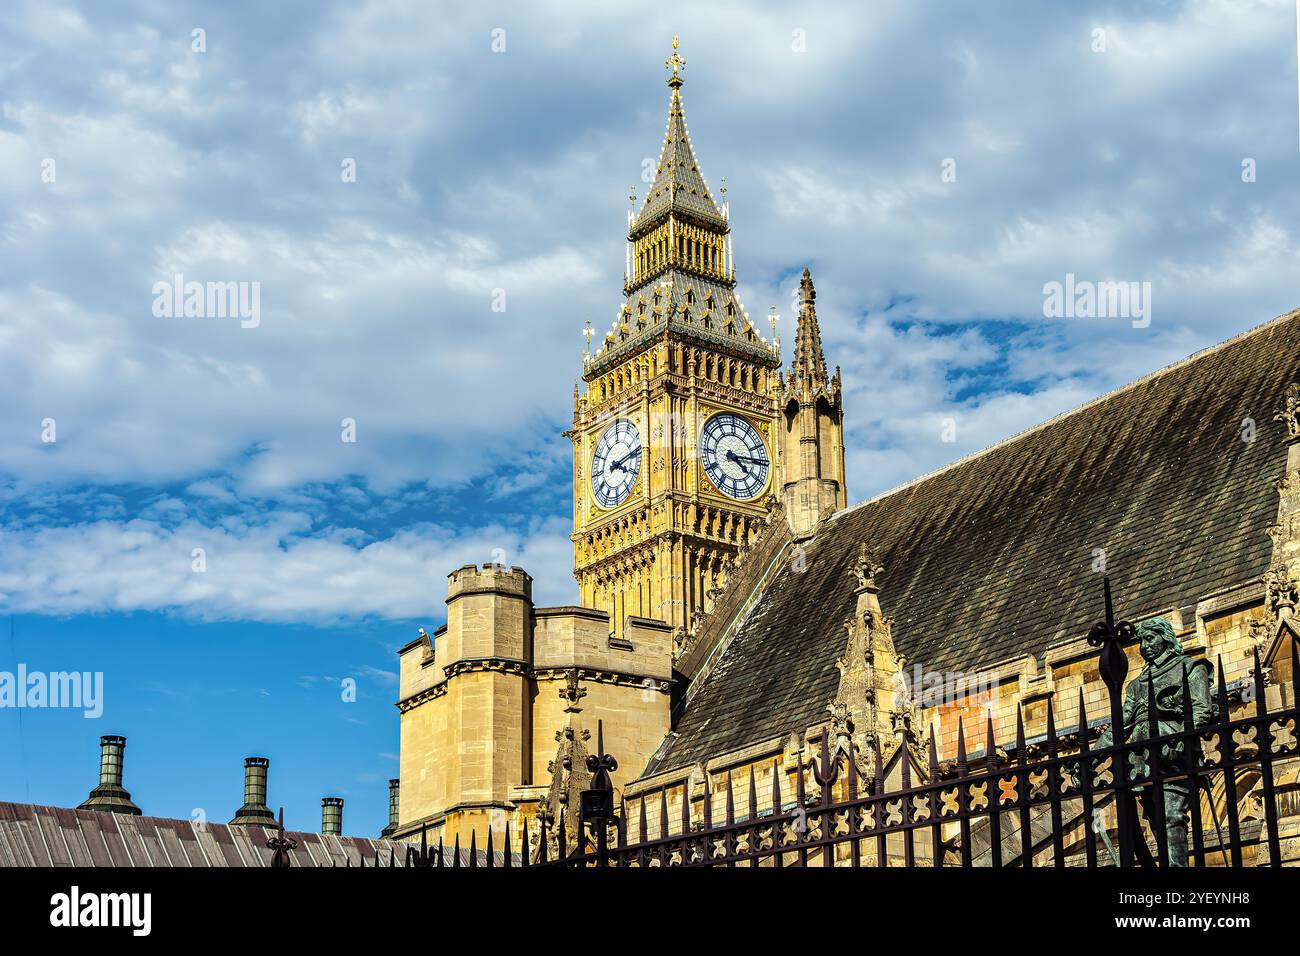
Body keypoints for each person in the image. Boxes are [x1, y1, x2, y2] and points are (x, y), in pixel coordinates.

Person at [1093, 618, 1214, 866]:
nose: (1145, 646)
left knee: (1172, 817)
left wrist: (1180, 739)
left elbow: (1202, 709)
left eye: (1150, 639)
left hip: (1174, 758)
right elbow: (1119, 727)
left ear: (1165, 638)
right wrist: (1092, 757)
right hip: (1142, 763)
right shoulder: (1137, 685)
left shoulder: (1190, 668)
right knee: (1158, 823)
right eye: (1141, 641)